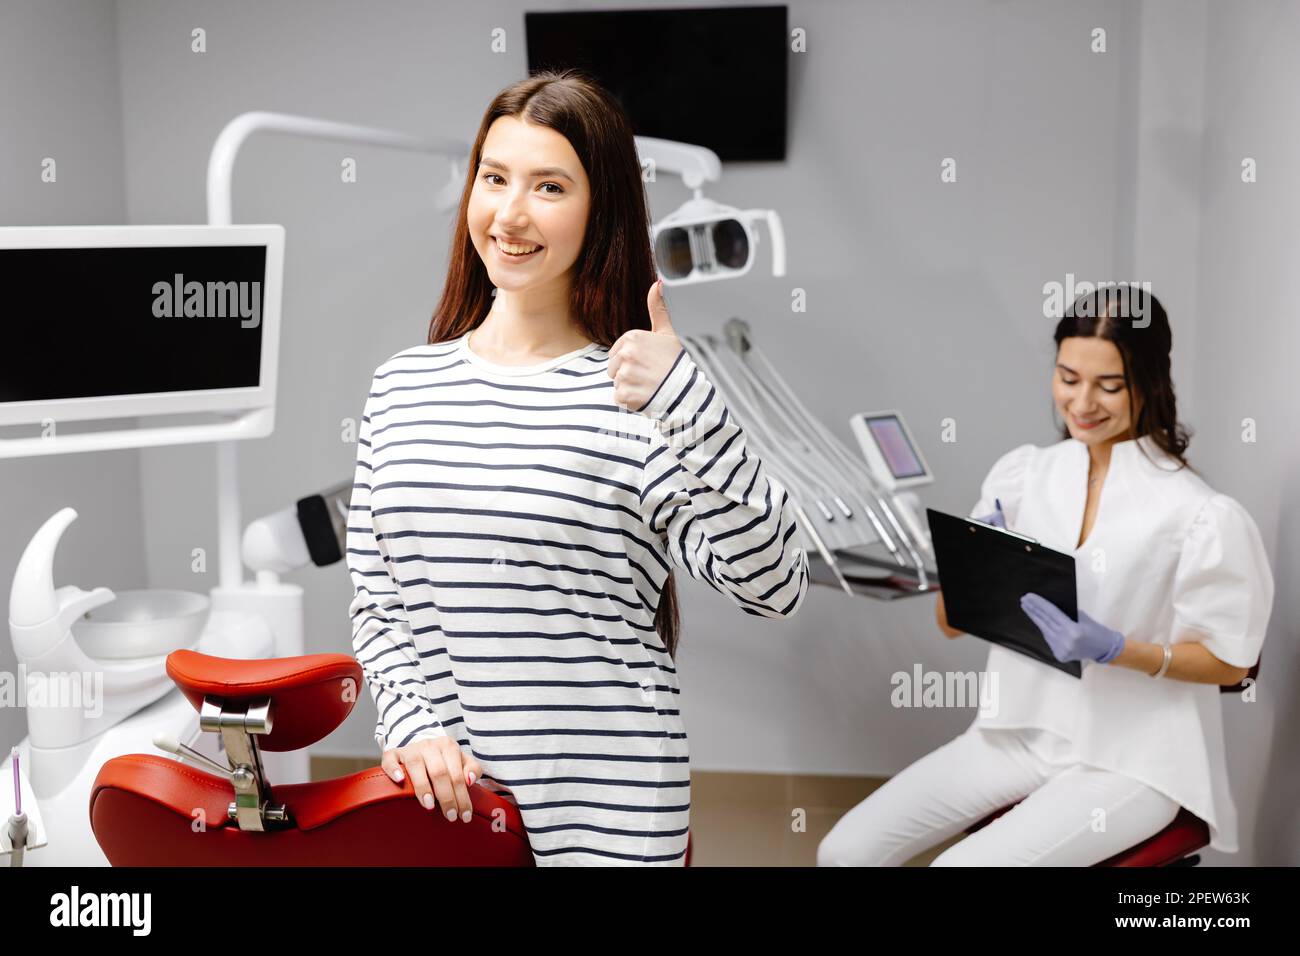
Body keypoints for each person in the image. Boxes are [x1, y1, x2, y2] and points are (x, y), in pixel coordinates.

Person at [346, 70, 810, 866]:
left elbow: (775, 584)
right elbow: (378, 599)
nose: (511, 213)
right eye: (495, 179)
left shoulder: (642, 399)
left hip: (615, 817)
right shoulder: (402, 387)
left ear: (601, 211)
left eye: (550, 186)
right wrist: (412, 723)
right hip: (451, 810)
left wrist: (692, 403)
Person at [818, 284, 1273, 866]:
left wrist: (1117, 650)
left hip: (1132, 760)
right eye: (1067, 377)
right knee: (844, 851)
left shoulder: (1199, 514)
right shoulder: (1023, 476)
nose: (1082, 402)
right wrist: (977, 567)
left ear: (1150, 384)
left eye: (1109, 385)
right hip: (1020, 733)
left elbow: (1231, 661)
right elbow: (949, 626)